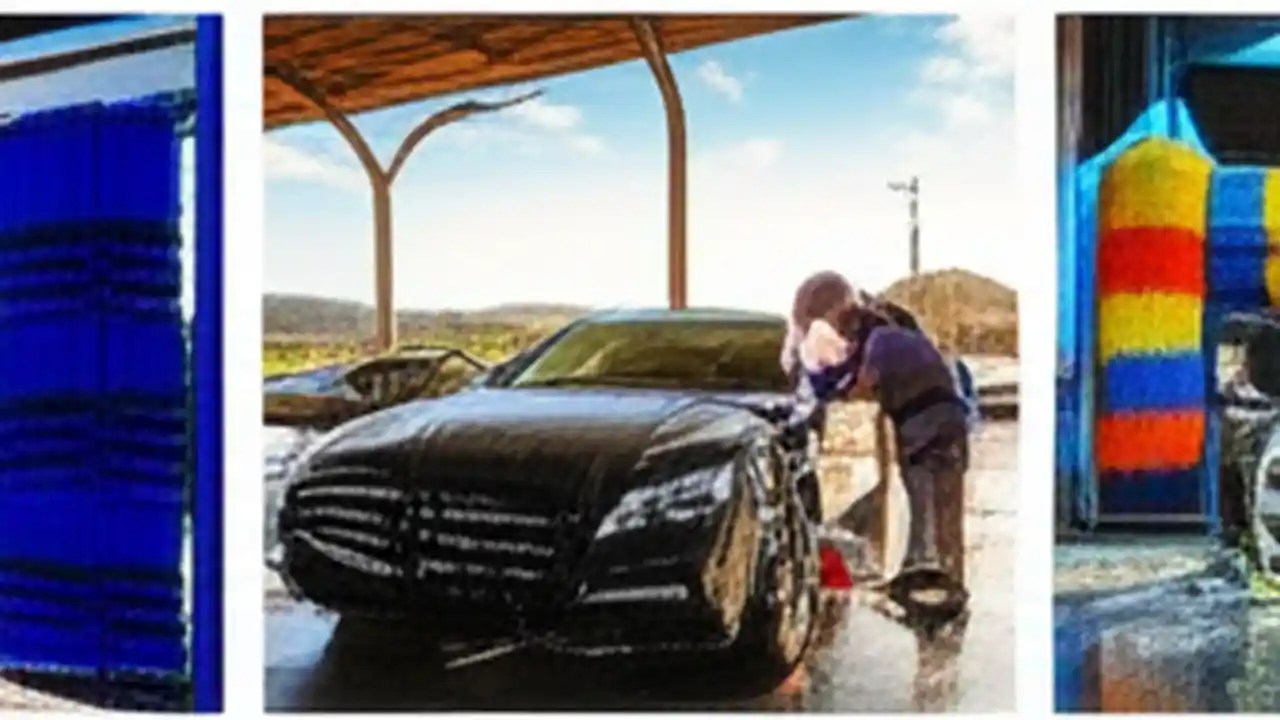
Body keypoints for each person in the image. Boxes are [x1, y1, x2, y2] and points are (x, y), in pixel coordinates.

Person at [783, 270, 969, 621]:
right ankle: (941, 584)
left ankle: (937, 588)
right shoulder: (898, 338)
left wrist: (821, 377)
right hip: (941, 423)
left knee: (928, 500)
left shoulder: (881, 342)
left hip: (927, 428)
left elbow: (860, 386)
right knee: (938, 506)